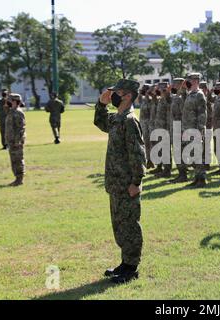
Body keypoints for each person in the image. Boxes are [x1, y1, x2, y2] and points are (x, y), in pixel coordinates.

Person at [94, 78, 147, 284]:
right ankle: (125, 263)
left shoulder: (130, 120)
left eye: (117, 92)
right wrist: (101, 103)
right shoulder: (118, 117)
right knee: (119, 225)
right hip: (116, 183)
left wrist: (136, 181)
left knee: (129, 225)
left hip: (127, 184)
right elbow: (100, 122)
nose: (114, 95)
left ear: (128, 95)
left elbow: (137, 154)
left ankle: (132, 268)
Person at [182, 73, 207, 188]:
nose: (188, 82)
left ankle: (201, 179)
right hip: (188, 129)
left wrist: (200, 130)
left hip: (195, 129)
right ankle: (197, 178)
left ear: (196, 81)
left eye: (190, 80)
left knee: (197, 154)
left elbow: (202, 114)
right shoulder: (190, 94)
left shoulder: (199, 95)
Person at [169, 78, 189, 183]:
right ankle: (181, 174)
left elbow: (183, 114)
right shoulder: (176, 96)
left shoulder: (182, 97)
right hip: (174, 127)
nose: (173, 85)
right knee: (176, 152)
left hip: (179, 128)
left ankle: (183, 175)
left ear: (180, 85)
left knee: (180, 152)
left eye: (175, 84)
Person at [5, 93, 26, 186]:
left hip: (16, 141)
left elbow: (21, 128)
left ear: (14, 101)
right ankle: (17, 178)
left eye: (9, 100)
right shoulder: (12, 111)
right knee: (13, 160)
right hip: (11, 140)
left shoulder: (18, 112)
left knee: (18, 159)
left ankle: (19, 179)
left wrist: (17, 141)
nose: (7, 102)